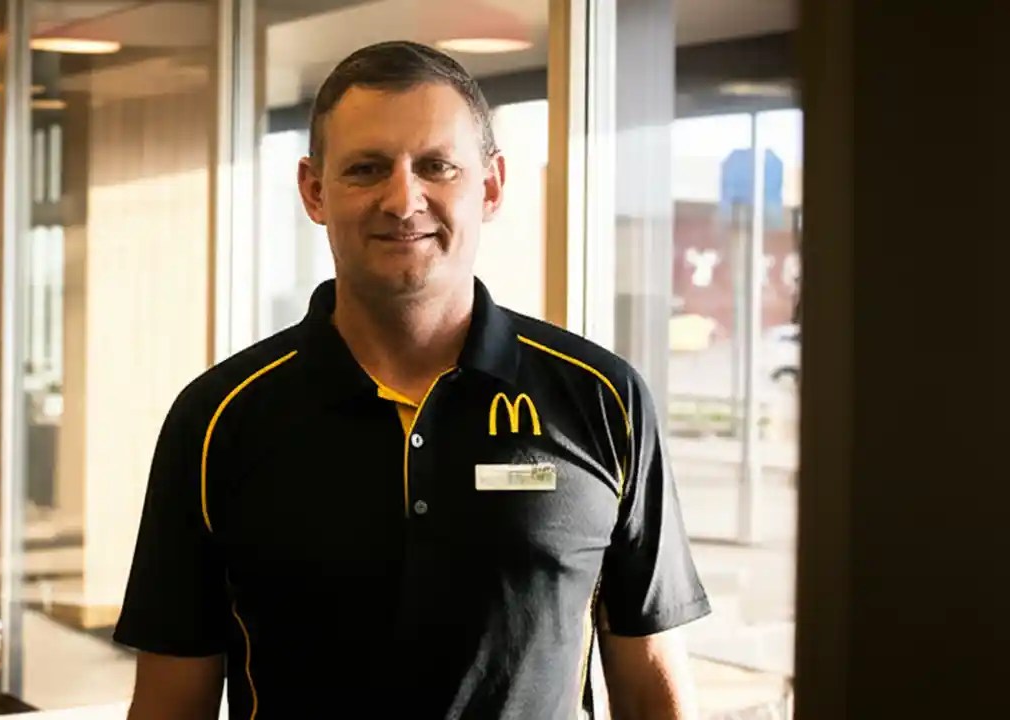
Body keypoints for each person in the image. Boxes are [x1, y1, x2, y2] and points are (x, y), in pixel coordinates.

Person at [114, 40, 710, 720]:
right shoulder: (217, 419)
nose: (403, 201)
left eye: (437, 166)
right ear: (314, 190)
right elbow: (169, 703)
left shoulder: (604, 400)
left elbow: (652, 687)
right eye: (366, 169)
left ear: (490, 187)